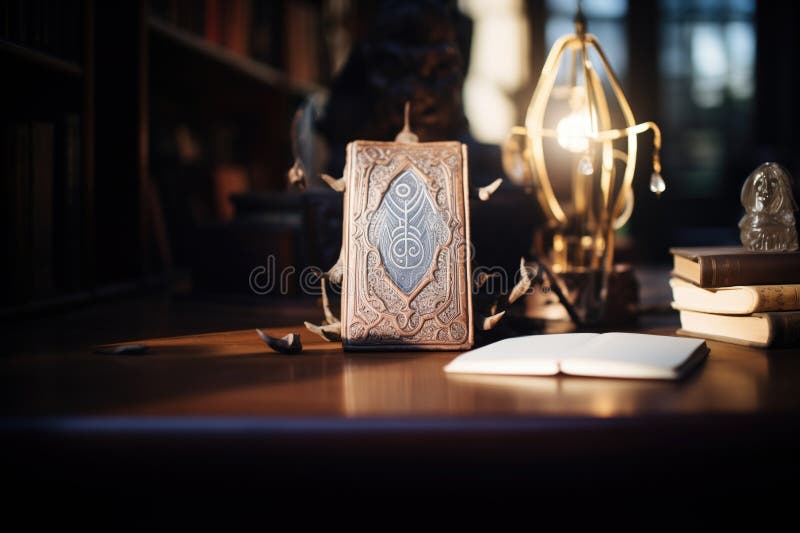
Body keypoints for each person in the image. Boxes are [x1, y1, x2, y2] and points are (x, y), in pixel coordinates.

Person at [739, 162, 799, 252]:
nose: (766, 190)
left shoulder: (789, 224)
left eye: (773, 183)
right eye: (759, 183)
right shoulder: (748, 224)